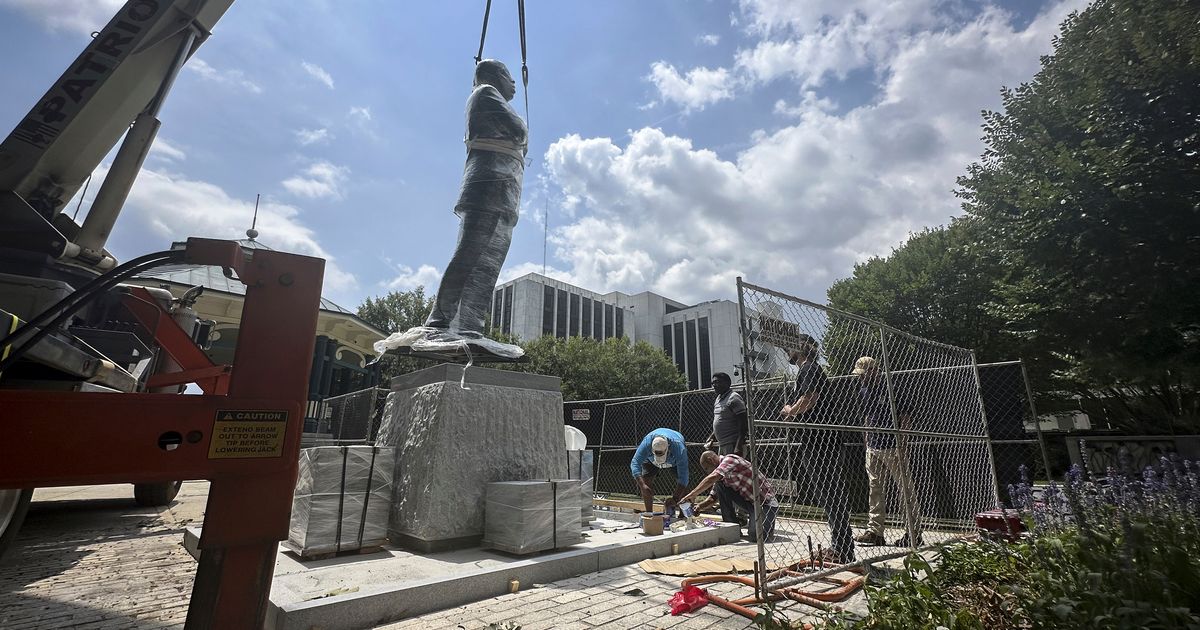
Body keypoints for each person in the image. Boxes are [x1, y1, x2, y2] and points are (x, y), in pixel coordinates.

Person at [424, 59, 527, 339]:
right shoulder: (484, 93)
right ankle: (440, 321)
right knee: (470, 255)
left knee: (489, 263)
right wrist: (521, 134)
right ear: (494, 75)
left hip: (504, 193)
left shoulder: (490, 95)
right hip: (487, 188)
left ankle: (470, 325)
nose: (514, 82)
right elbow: (518, 129)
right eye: (509, 75)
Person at [780, 334, 855, 563]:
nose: (786, 351)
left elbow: (810, 398)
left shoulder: (808, 369)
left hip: (821, 441)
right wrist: (793, 409)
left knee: (831, 493)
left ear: (799, 349)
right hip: (821, 439)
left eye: (789, 347)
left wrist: (790, 411)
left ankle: (842, 548)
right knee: (830, 494)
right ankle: (841, 546)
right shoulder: (809, 370)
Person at [850, 356, 922, 547]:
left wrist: (902, 444)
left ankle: (913, 533)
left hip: (892, 446)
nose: (862, 378)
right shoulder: (864, 391)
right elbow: (867, 416)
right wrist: (866, 443)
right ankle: (875, 532)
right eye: (860, 375)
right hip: (873, 446)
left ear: (875, 371)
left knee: (905, 489)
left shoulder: (893, 388)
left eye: (864, 374)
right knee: (875, 489)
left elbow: (905, 417)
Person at [681, 450, 778, 542]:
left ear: (711, 460)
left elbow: (712, 477)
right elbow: (713, 498)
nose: (708, 472)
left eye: (707, 468)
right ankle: (732, 527)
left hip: (765, 503)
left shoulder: (730, 459)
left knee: (755, 536)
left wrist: (692, 494)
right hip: (751, 503)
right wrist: (699, 507)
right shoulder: (721, 476)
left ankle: (767, 523)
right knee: (720, 485)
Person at [630, 428, 689, 513]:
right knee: (646, 482)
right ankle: (649, 513)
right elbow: (635, 463)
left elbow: (684, 478)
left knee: (684, 488)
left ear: (668, 448)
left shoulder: (679, 448)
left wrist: (675, 498)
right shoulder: (647, 444)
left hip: (673, 460)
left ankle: (683, 515)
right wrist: (642, 485)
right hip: (651, 459)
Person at [705, 372, 748, 456]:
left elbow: (743, 422)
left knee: (733, 469)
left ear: (727, 383)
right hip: (723, 444)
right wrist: (712, 437)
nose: (714, 385)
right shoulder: (718, 399)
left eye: (717, 382)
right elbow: (723, 419)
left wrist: (738, 445)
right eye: (713, 383)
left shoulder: (733, 398)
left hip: (732, 444)